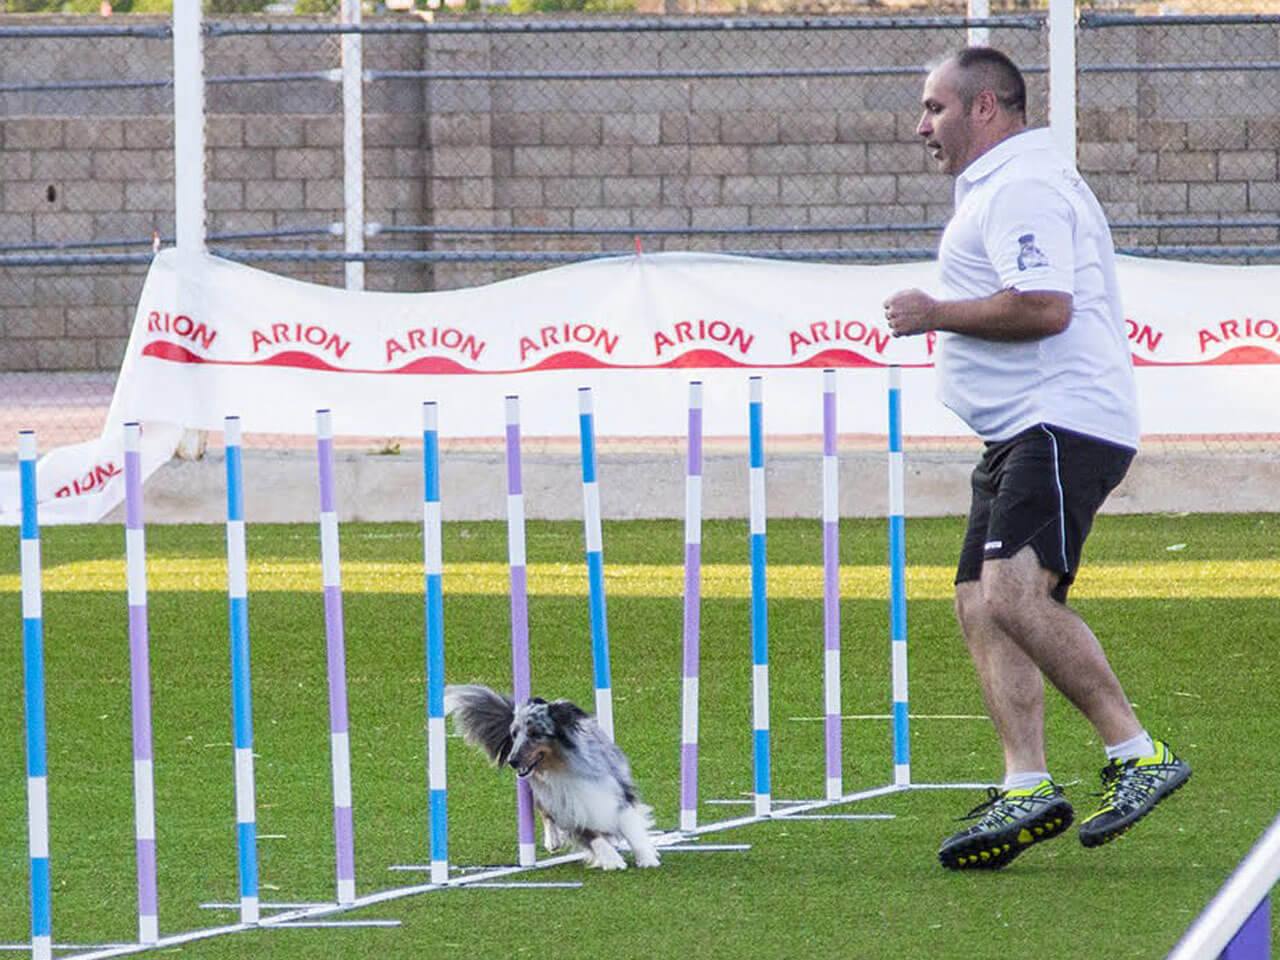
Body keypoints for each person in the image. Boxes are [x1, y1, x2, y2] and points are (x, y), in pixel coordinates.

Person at [883, 46, 1190, 871]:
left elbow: (1047, 306)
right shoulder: (999, 184)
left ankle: (1138, 753)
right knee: (979, 603)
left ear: (987, 107)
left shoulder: (1023, 185)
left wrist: (934, 312)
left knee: (1016, 593)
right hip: (1021, 426)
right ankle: (1027, 784)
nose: (923, 127)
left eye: (936, 108)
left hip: (1062, 419)